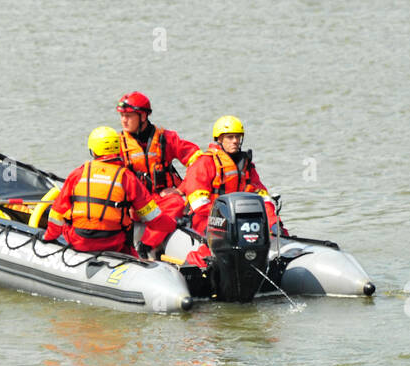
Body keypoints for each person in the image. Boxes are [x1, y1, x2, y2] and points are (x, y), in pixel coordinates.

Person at [43, 126, 177, 258]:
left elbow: (57, 212)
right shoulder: (128, 178)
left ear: (93, 151)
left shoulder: (78, 174)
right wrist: (173, 224)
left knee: (68, 214)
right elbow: (152, 217)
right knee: (126, 227)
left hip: (79, 241)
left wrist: (49, 237)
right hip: (113, 243)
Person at [179, 114, 280, 236]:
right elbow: (199, 205)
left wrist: (273, 222)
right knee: (218, 240)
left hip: (239, 217)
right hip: (206, 217)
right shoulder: (204, 163)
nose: (235, 141)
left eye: (238, 137)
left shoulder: (246, 165)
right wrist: (230, 215)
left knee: (275, 227)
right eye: (230, 137)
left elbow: (262, 196)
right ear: (219, 139)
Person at [114, 91, 200, 193]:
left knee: (178, 205)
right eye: (122, 115)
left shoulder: (166, 138)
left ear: (143, 116)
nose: (123, 120)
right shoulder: (117, 144)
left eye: (128, 116)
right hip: (135, 202)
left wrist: (181, 189)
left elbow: (199, 161)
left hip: (165, 199)